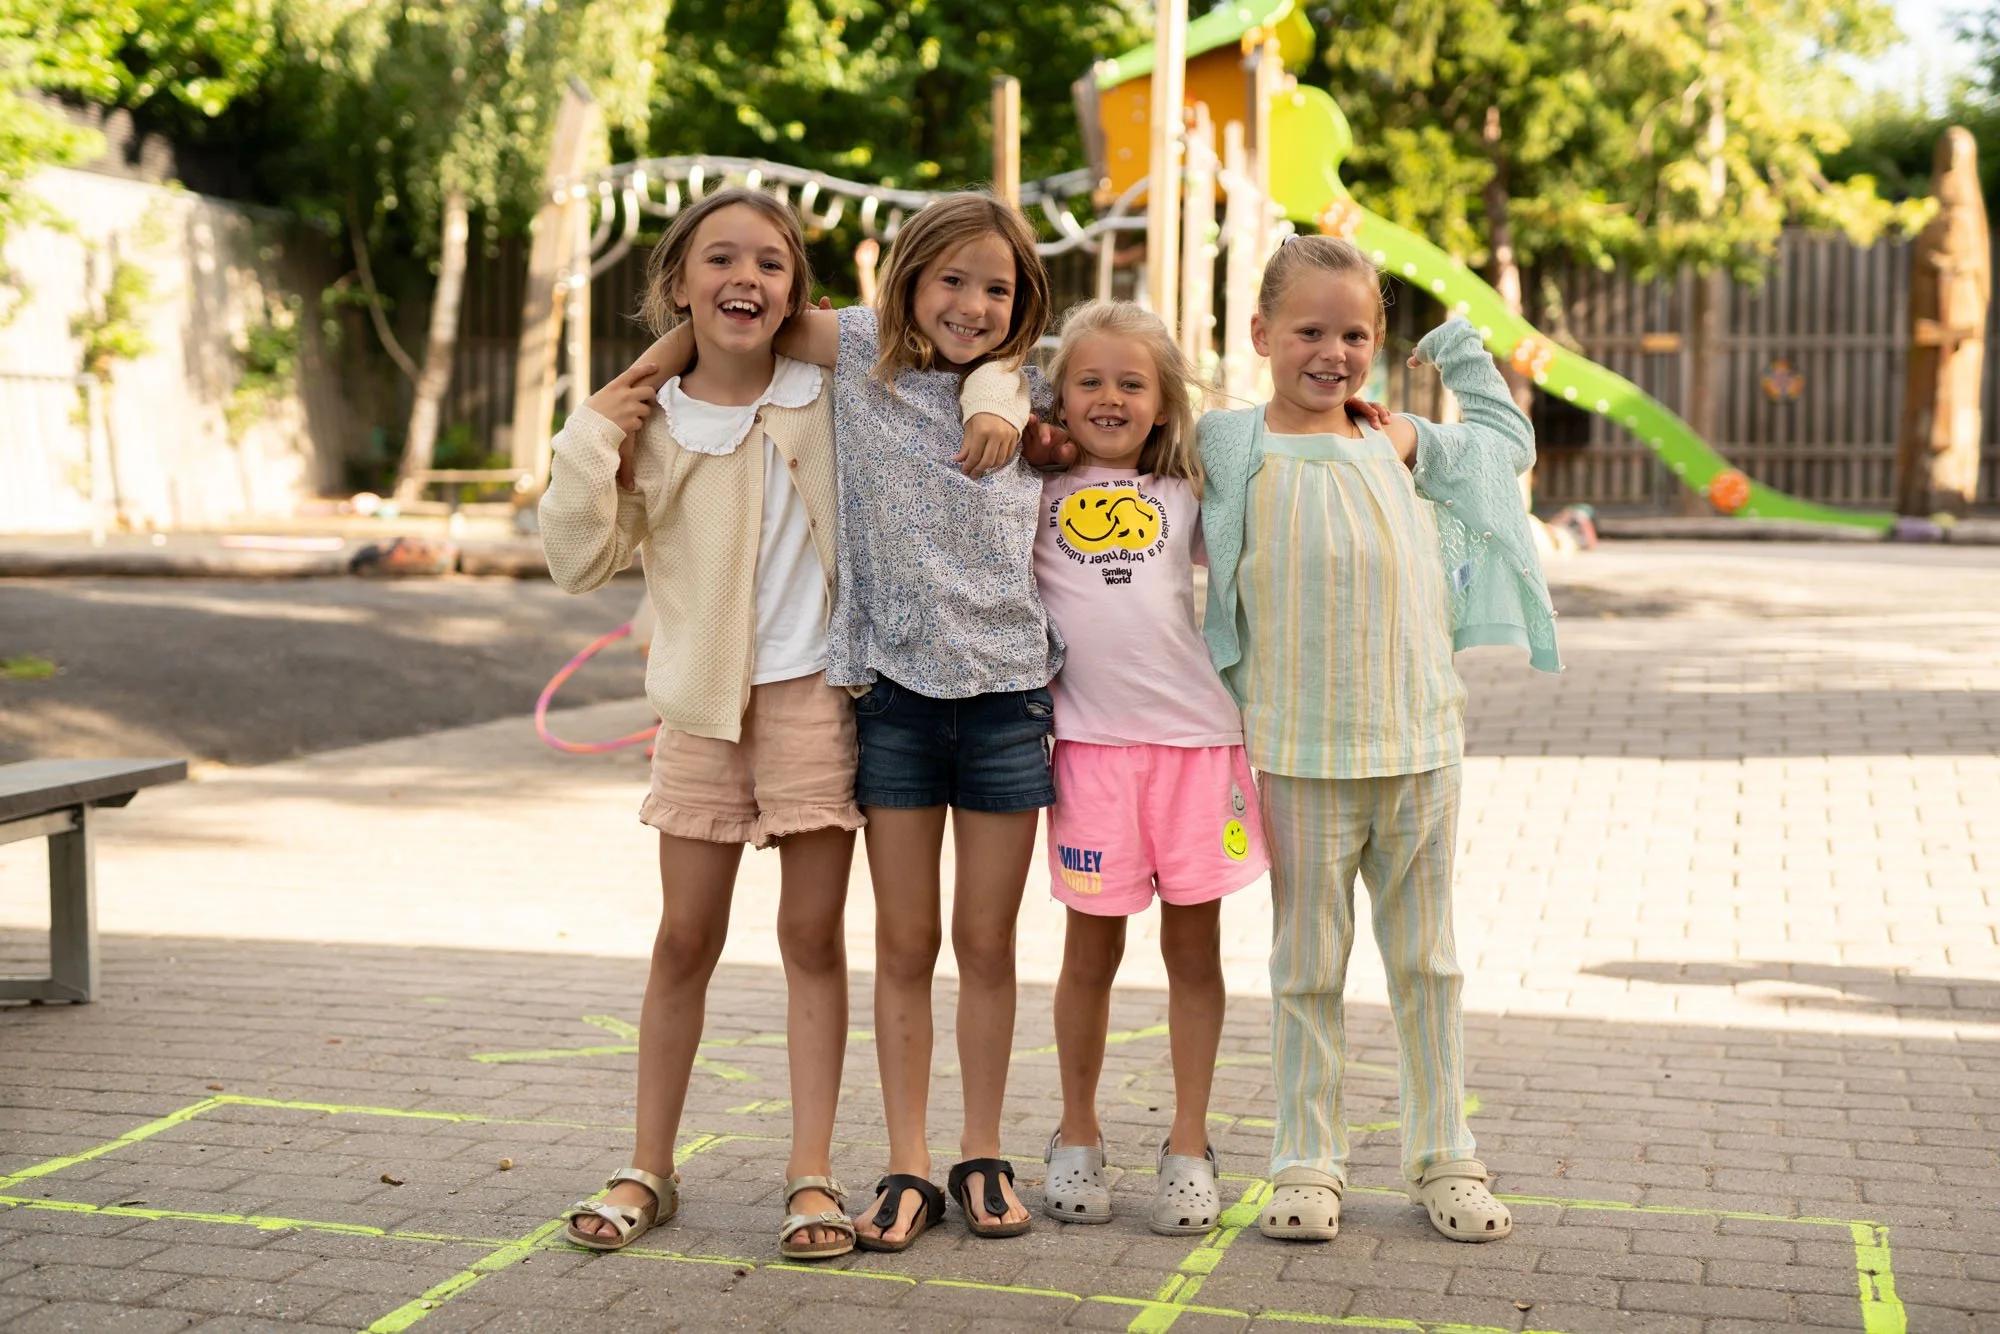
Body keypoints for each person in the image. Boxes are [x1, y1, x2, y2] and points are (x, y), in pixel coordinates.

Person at [627, 191, 1057, 1251]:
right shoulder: (860, 357)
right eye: (949, 279)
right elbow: (743, 312)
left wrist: (1001, 389)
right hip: (893, 700)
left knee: (986, 940)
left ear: (1023, 304)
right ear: (904, 280)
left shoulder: (1024, 390)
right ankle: (906, 1161)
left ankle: (980, 1146)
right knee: (902, 939)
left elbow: (1087, 389)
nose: (969, 303)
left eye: (995, 288)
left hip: (1006, 698)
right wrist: (621, 393)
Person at [1196, 235, 1561, 1244]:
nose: (1332, 351)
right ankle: (1304, 1161)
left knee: (1427, 966)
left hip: (1417, 745)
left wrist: (1458, 349)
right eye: (1308, 330)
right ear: (1261, 334)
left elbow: (1504, 452)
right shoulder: (1228, 443)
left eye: (1354, 332)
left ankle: (1444, 1155)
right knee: (1305, 968)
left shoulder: (1394, 438)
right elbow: (1119, 437)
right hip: (1299, 754)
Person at [539, 187, 865, 1262]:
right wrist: (595, 427)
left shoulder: (827, 393)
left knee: (811, 939)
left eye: (770, 263)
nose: (746, 279)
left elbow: (930, 344)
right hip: (700, 707)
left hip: (815, 694)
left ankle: (809, 1173)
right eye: (718, 260)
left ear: (796, 292)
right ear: (675, 283)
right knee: (685, 937)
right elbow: (577, 558)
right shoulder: (654, 423)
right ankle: (649, 1165)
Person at [1029, 301, 1269, 1235]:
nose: (1111, 396)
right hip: (1089, 752)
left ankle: (1188, 1142)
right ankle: (1077, 1133)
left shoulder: (1191, 492)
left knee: (1191, 952)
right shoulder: (1033, 487)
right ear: (1061, 392)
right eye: (1090, 380)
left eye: (1133, 382)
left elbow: (1262, 530)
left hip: (1200, 749)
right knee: (1089, 953)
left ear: (1166, 402)